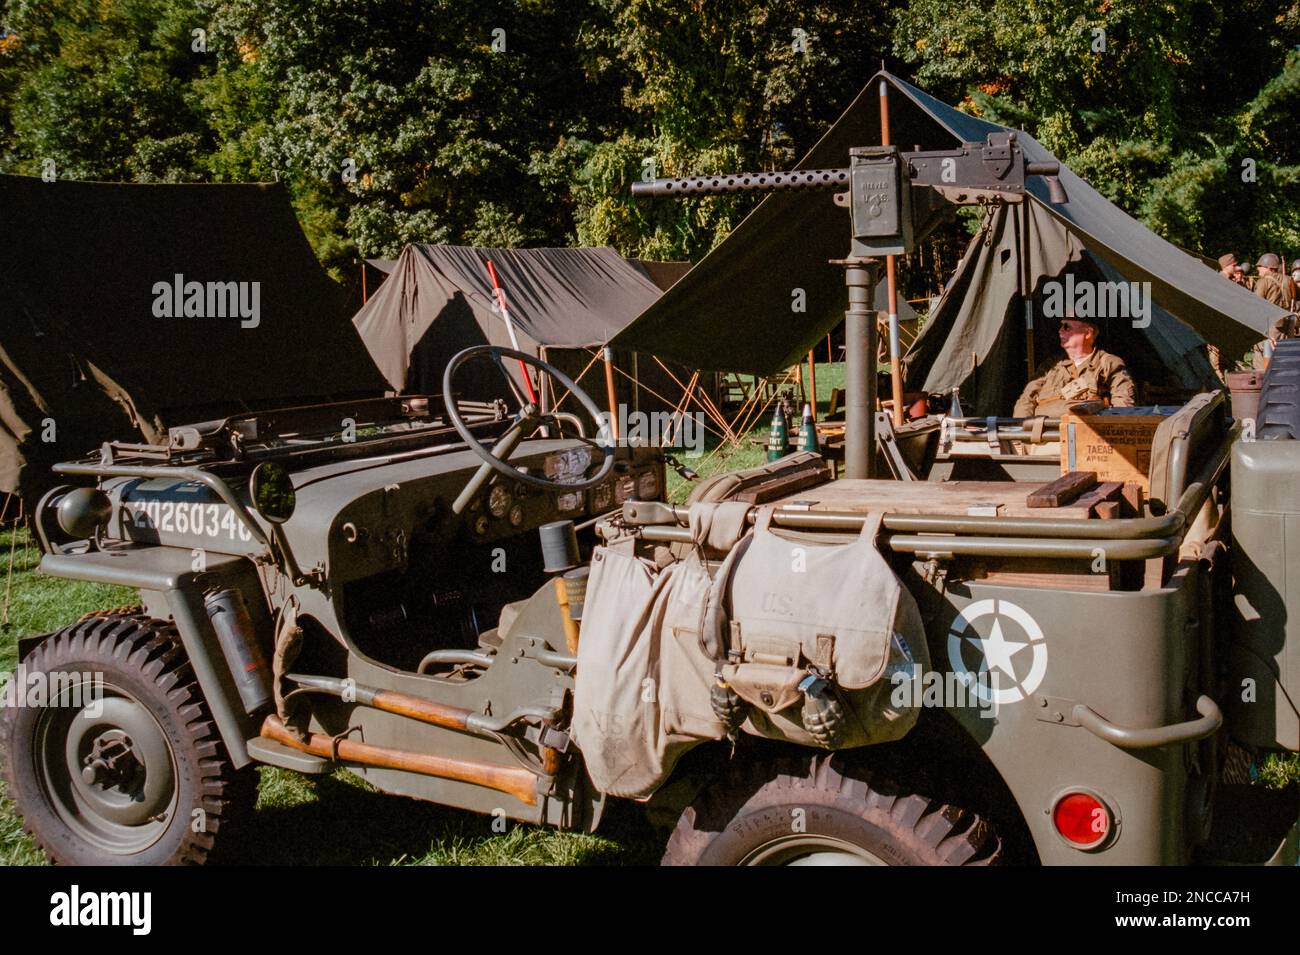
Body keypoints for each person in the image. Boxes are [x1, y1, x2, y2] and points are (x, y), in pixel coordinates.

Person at [1014, 316, 1137, 417]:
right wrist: (1021, 434)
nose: (1060, 330)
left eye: (1067, 326)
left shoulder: (1108, 364)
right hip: (1043, 436)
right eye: (1061, 326)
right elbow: (1026, 400)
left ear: (1087, 333)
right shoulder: (1050, 366)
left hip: (1086, 436)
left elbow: (1123, 408)